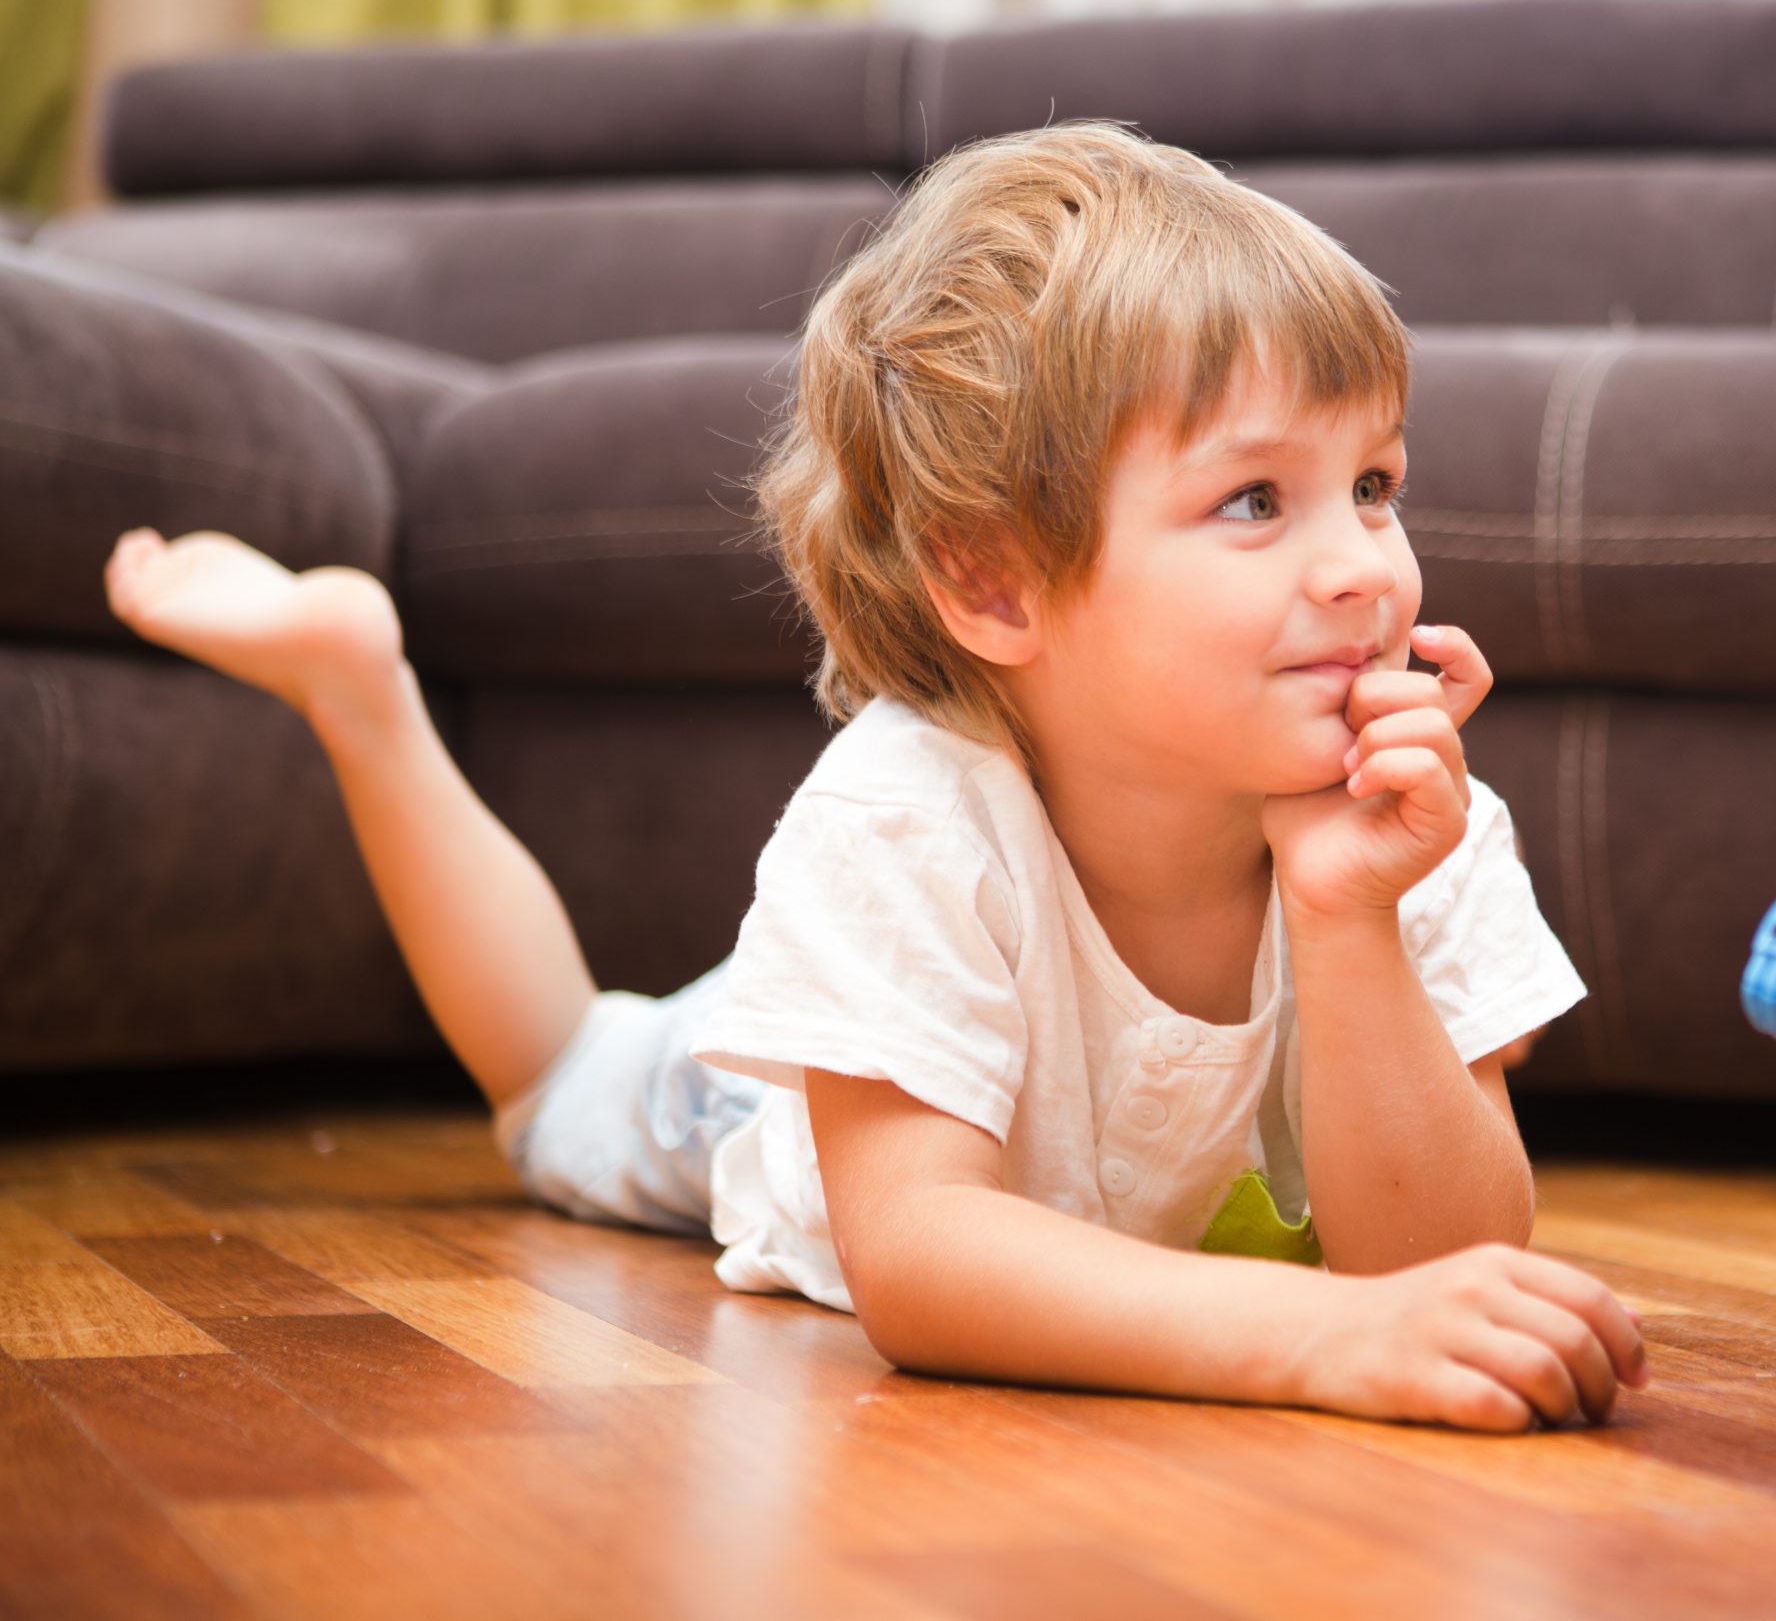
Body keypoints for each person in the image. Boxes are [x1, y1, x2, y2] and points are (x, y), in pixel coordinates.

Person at [101, 120, 1649, 1433]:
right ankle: (364, 686)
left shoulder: (1407, 817)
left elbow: (1444, 1267)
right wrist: (1315, 1343)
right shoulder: (903, 813)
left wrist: (1346, 917)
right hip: (797, 1086)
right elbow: (919, 1266)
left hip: (981, 1038)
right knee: (567, 1078)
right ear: (992, 586)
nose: (1361, 567)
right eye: (1256, 498)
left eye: (1374, 484)